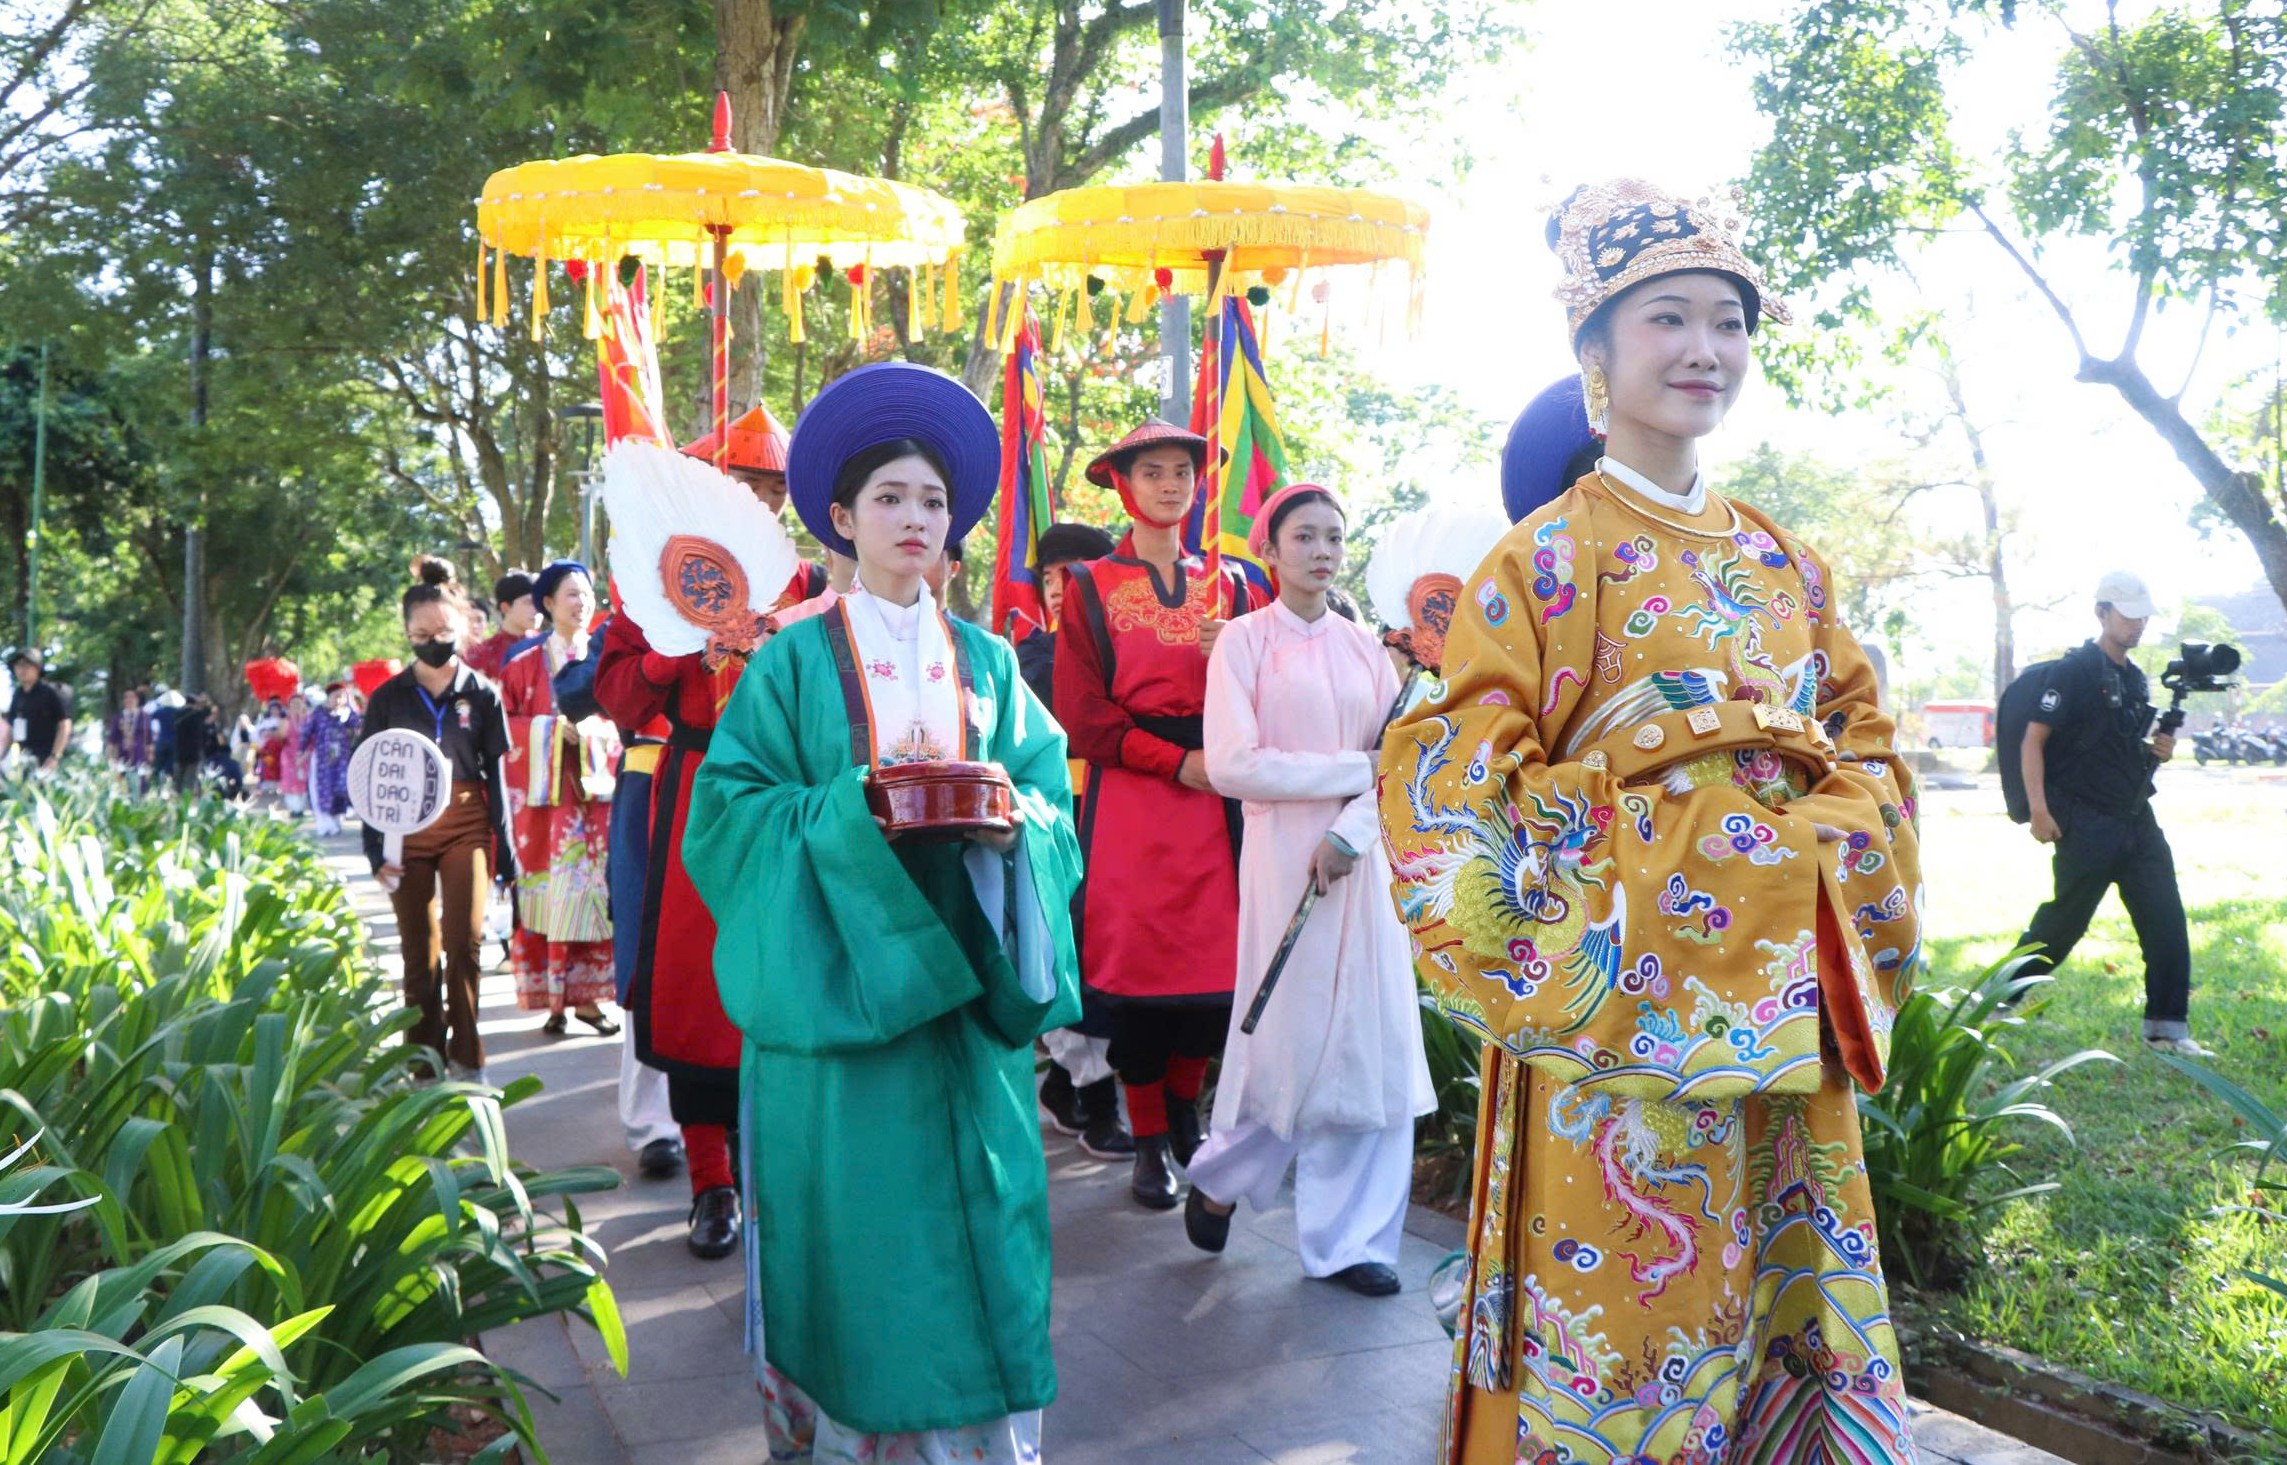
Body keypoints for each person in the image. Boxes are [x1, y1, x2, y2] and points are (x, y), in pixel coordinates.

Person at [1378, 178, 1925, 1463]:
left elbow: (1871, 754)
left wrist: (1807, 843)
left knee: (1788, 1319)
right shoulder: (1542, 563)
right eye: (1666, 319)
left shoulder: (1789, 565)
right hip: (1619, 1032)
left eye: (1728, 321)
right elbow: (1454, 788)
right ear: (1593, 355)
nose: (1703, 349)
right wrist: (1704, 846)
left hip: (1786, 1023)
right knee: (1632, 1317)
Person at [684, 362, 1080, 1462]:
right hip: (841, 1018)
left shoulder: (994, 663)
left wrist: (1014, 829)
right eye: (892, 498)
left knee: (987, 1238)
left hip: (966, 1000)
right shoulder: (792, 662)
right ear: (843, 519)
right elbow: (728, 819)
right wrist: (852, 816)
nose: (915, 519)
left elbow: (1050, 801)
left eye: (934, 501)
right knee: (862, 1249)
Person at [1184, 484, 1435, 1296]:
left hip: (1360, 860)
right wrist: (1347, 775)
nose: (1321, 550)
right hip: (1282, 854)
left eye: (1333, 535)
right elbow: (1230, 761)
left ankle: (1349, 1242)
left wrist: (1353, 828)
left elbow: (1395, 760)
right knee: (1285, 1041)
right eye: (1304, 536)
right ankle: (1220, 1174)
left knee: (1371, 1043)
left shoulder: (1368, 647)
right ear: (1271, 548)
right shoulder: (1243, 643)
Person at [595, 402, 829, 1259]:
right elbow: (615, 694)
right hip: (694, 786)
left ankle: (779, 1173)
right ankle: (710, 1182)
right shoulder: (651, 578)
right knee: (696, 988)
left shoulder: (807, 584)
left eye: (773, 489)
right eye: (745, 485)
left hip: (788, 791)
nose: (760, 503)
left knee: (786, 974)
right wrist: (681, 646)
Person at [1054, 419, 1268, 1208]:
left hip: (1224, 803)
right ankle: (1148, 1139)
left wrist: (1236, 656)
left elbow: (1272, 692)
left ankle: (1184, 1110)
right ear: (1122, 483)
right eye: (1151, 471)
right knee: (1142, 982)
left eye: (1182, 469)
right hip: (1137, 798)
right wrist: (1178, 761)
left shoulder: (1238, 585)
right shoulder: (1086, 587)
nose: (1170, 483)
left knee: (1217, 984)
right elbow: (1082, 715)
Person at [2015, 570, 2206, 1055]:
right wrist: (2039, 810)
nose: (2138, 624)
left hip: (2136, 818)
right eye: (2128, 615)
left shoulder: (2134, 678)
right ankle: (1997, 999)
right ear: (2102, 613)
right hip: (2085, 821)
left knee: (2166, 919)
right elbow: (2033, 740)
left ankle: (2167, 1029)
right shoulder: (2073, 671)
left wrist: (2155, 751)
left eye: (2143, 616)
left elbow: (2118, 748)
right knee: (2063, 924)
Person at [357, 556, 517, 1082]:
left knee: (463, 943)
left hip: (466, 824)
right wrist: (377, 852)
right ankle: (422, 1063)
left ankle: (469, 1058)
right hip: (405, 830)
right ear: (405, 634)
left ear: (463, 629)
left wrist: (506, 851)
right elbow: (369, 781)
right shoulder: (386, 699)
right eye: (421, 633)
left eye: (443, 631)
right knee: (418, 954)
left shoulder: (482, 693)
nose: (432, 640)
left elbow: (496, 775)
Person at [555, 607, 685, 1186]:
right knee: (648, 954)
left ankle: (730, 1114)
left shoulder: (767, 596)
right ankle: (654, 1124)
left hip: (738, 785)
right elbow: (575, 691)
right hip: (650, 794)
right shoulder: (637, 612)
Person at [1015, 521, 1131, 1158]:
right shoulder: (1028, 656)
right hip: (1056, 813)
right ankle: (1094, 1094)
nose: (1060, 588)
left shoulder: (1131, 648)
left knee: (1110, 950)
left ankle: (1069, 1084)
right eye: (1051, 576)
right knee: (1065, 946)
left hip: (1120, 808)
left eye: (1075, 573)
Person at [499, 559, 621, 1037]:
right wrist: (551, 733)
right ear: (547, 604)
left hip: (596, 803)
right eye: (571, 594)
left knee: (593, 897)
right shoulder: (524, 664)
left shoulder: (608, 657)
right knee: (553, 898)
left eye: (587, 592)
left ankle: (589, 1003)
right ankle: (554, 1001)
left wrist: (592, 733)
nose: (582, 602)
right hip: (545, 811)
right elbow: (504, 732)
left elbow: (627, 720)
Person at [307, 681, 362, 835]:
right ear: (328, 697)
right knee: (323, 791)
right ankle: (324, 824)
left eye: (341, 697)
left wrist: (351, 707)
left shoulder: (348, 714)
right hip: (323, 761)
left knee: (340, 790)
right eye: (335, 696)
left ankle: (337, 822)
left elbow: (359, 725)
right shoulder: (318, 713)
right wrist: (300, 751)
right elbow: (307, 732)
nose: (338, 700)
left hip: (341, 760)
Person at [6, 650, 73, 773]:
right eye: (18, 665)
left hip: (49, 759)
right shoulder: (18, 695)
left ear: (37, 668)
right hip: (25, 759)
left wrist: (55, 756)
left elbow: (64, 725)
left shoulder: (51, 692)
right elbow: (11, 728)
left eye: (26, 665)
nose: (22, 669)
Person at [465, 569, 539, 679]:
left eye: (538, 602)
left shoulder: (548, 646)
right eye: (528, 603)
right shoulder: (481, 655)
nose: (536, 609)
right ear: (506, 607)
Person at [106, 684, 155, 793]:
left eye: (132, 697)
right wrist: (109, 756)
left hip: (140, 754)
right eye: (126, 697)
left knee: (140, 783)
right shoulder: (118, 717)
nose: (129, 700)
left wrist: (151, 755)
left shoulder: (144, 717)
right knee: (122, 784)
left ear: (137, 700)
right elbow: (112, 738)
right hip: (122, 754)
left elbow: (149, 738)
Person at [278, 690, 312, 816]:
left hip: (305, 753)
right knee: (290, 779)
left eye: (299, 703)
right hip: (289, 754)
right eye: (293, 704)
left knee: (304, 779)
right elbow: (281, 736)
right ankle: (294, 808)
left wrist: (305, 754)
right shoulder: (285, 720)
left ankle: (302, 807)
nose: (296, 706)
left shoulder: (309, 719)